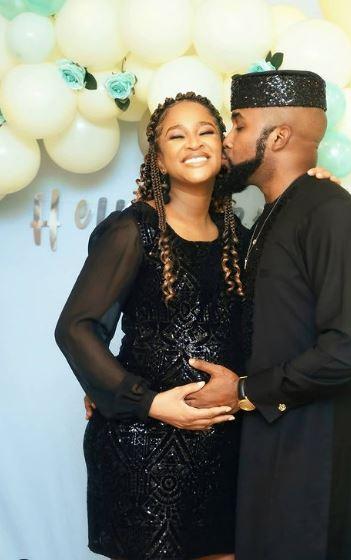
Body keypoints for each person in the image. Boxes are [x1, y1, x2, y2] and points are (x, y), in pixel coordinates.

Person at [55, 89, 336, 560]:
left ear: (224, 150)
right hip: (144, 444)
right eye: (176, 135)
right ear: (159, 160)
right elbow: (76, 328)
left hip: (223, 443)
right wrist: (143, 401)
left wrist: (316, 188)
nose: (193, 143)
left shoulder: (243, 238)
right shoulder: (133, 229)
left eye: (206, 131)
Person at [188, 68, 351, 560]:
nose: (227, 139)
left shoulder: (331, 212)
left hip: (320, 449)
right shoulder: (274, 214)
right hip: (275, 437)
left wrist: (244, 391)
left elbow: (348, 348)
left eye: (237, 124)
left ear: (276, 137)